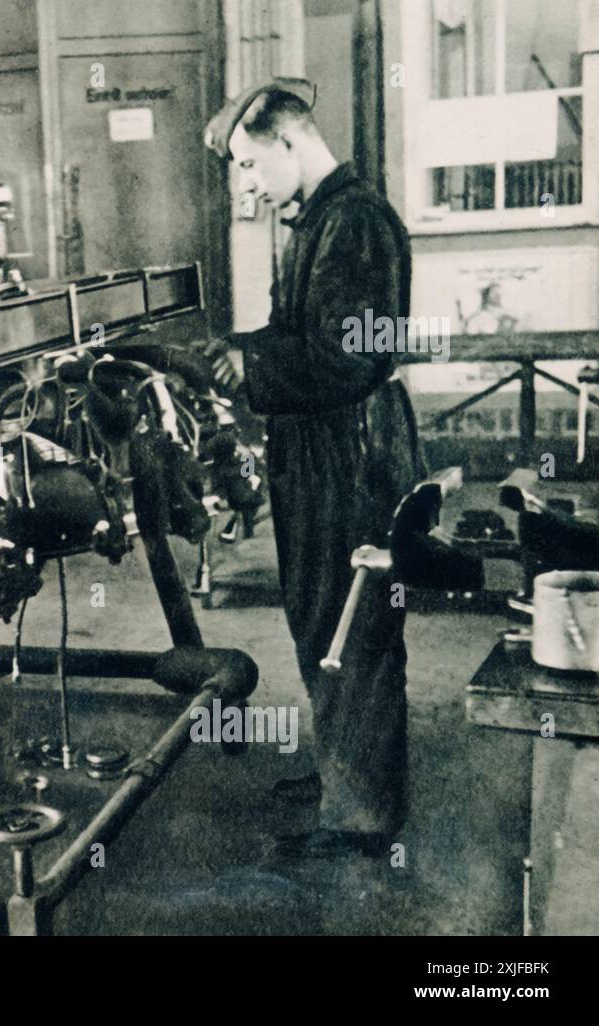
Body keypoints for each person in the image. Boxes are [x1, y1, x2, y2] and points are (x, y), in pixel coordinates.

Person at [203, 78, 426, 857]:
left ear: (291, 141)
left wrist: (250, 373)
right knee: (318, 614)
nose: (249, 184)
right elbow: (297, 330)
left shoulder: (356, 222)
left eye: (251, 165)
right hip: (321, 449)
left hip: (352, 455)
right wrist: (241, 349)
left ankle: (362, 812)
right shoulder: (320, 219)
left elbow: (346, 360)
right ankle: (343, 774)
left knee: (352, 622)